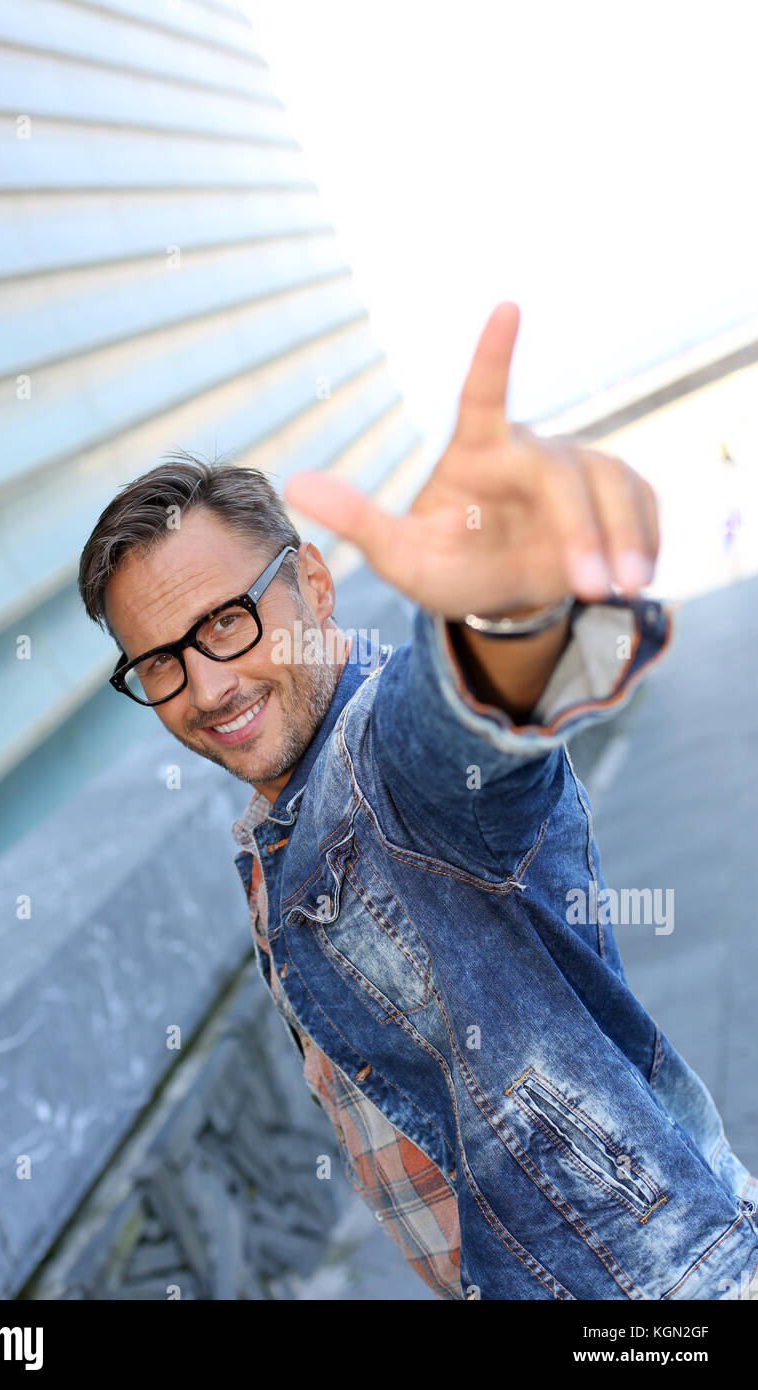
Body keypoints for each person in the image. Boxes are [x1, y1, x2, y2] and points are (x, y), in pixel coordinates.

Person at [78, 302, 758, 1300]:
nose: (207, 685)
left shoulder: (380, 761)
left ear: (311, 583)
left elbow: (462, 710)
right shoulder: (273, 830)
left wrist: (504, 610)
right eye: (161, 662)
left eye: (225, 622)